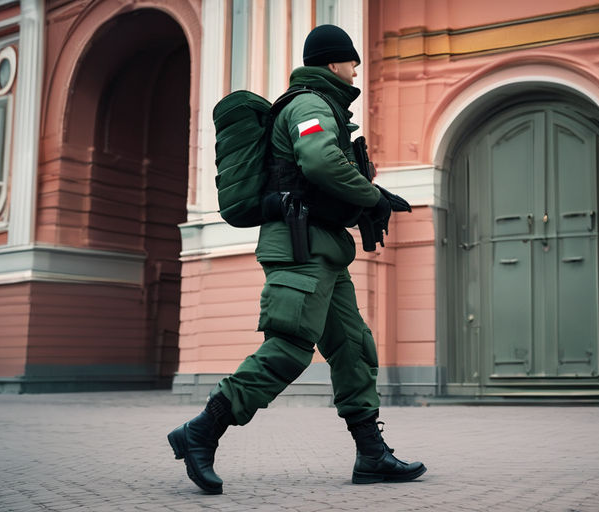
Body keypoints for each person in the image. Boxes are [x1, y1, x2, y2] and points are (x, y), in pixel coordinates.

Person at [167, 24, 426, 494]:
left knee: (353, 349)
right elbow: (321, 161)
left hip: (323, 250)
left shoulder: (321, 104)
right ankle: (202, 430)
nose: (355, 71)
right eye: (351, 62)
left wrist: (373, 197)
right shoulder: (309, 104)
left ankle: (372, 455)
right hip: (299, 249)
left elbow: (324, 173)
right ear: (333, 62)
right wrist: (372, 197)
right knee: (288, 348)